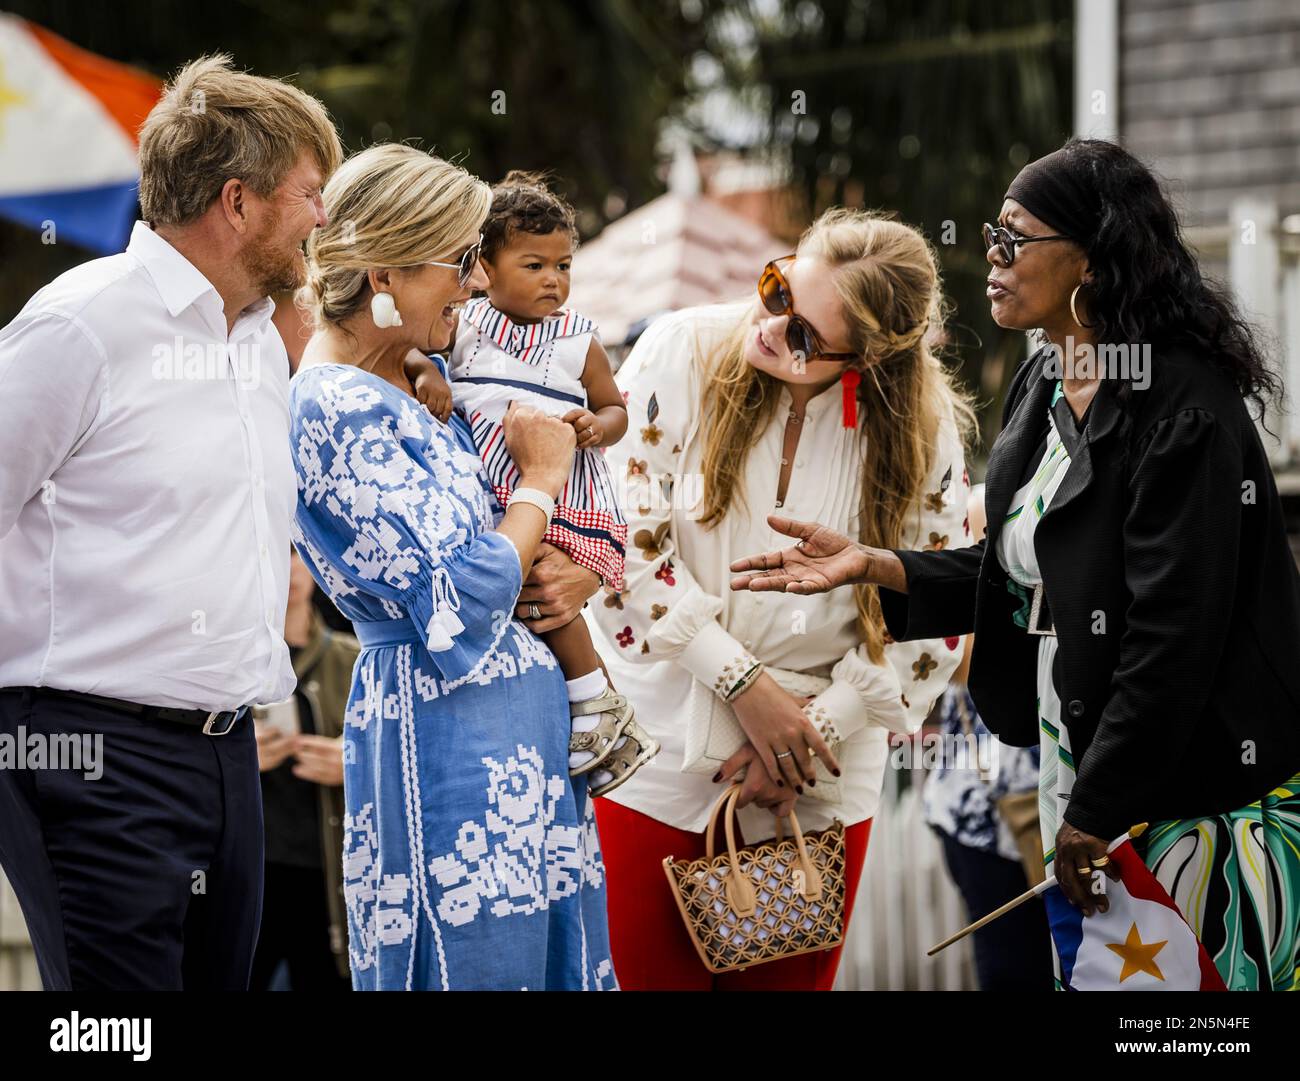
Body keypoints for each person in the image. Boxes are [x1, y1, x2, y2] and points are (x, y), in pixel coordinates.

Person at [730, 140, 1300, 991]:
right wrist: (879, 566)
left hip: (1187, 806)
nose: (990, 259)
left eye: (1013, 240)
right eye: (992, 236)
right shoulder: (1044, 381)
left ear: (1092, 262)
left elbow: (1170, 639)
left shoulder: (1183, 411)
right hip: (1082, 779)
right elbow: (1022, 573)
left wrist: (1093, 815)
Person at [0, 55, 343, 990]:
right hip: (86, 751)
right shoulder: (78, 325)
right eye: (311, 194)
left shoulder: (260, 341)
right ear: (238, 202)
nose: (324, 218)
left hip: (230, 756)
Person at [588, 208, 974, 990]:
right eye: (776, 290)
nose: (770, 328)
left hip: (823, 775)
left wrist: (814, 731)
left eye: (804, 337)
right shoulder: (681, 349)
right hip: (662, 748)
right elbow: (620, 538)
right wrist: (745, 686)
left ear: (864, 361)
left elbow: (940, 609)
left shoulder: (920, 427)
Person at [290, 143, 614, 990]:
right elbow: (458, 597)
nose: (475, 284)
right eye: (460, 262)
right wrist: (541, 483)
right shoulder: (331, 406)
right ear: (384, 269)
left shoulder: (400, 386)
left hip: (507, 738)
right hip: (447, 742)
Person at [428, 171, 657, 796]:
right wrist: (428, 375)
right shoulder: (464, 325)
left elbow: (617, 408)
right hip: (486, 485)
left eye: (563, 265)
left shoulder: (576, 338)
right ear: (484, 267)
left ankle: (595, 700)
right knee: (507, 588)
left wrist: (595, 426)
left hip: (556, 491)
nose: (553, 280)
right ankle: (577, 708)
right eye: (534, 265)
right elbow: (415, 354)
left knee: (545, 588)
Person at [922, 488, 1052, 990]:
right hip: (983, 814)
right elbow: (953, 667)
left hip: (1058, 808)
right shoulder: (966, 591)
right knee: (1010, 968)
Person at [250, 551, 355, 991]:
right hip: (254, 875)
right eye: (274, 551)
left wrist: (353, 765)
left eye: (296, 554)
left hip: (328, 876)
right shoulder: (231, 664)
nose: (289, 568)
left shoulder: (354, 660)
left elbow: (407, 756)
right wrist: (239, 760)